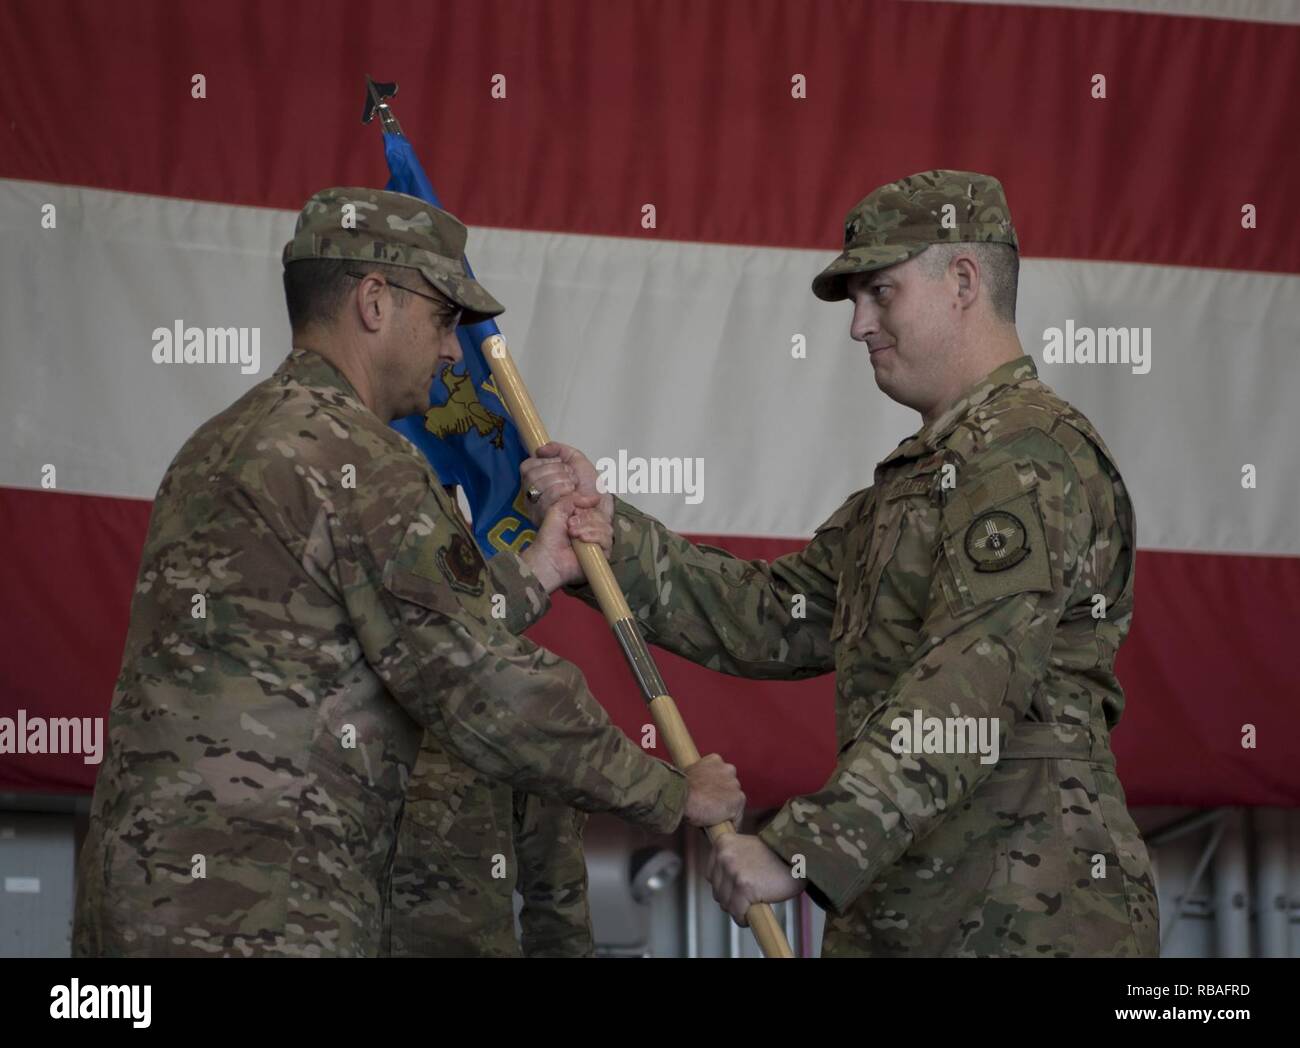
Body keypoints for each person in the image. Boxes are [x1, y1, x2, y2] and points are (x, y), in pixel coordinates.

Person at [72, 187, 744, 958]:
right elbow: (480, 683)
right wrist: (672, 790)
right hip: (261, 912)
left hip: (137, 903)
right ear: (373, 300)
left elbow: (365, 622)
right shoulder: (361, 460)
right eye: (444, 317)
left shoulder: (213, 446)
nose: (454, 349)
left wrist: (534, 571)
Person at [521, 170, 1159, 957]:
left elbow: (968, 686)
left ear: (963, 280)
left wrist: (803, 848)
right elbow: (776, 616)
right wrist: (609, 539)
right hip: (926, 907)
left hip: (1023, 916)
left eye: (881, 292)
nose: (858, 325)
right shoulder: (934, 469)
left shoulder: (1022, 457)